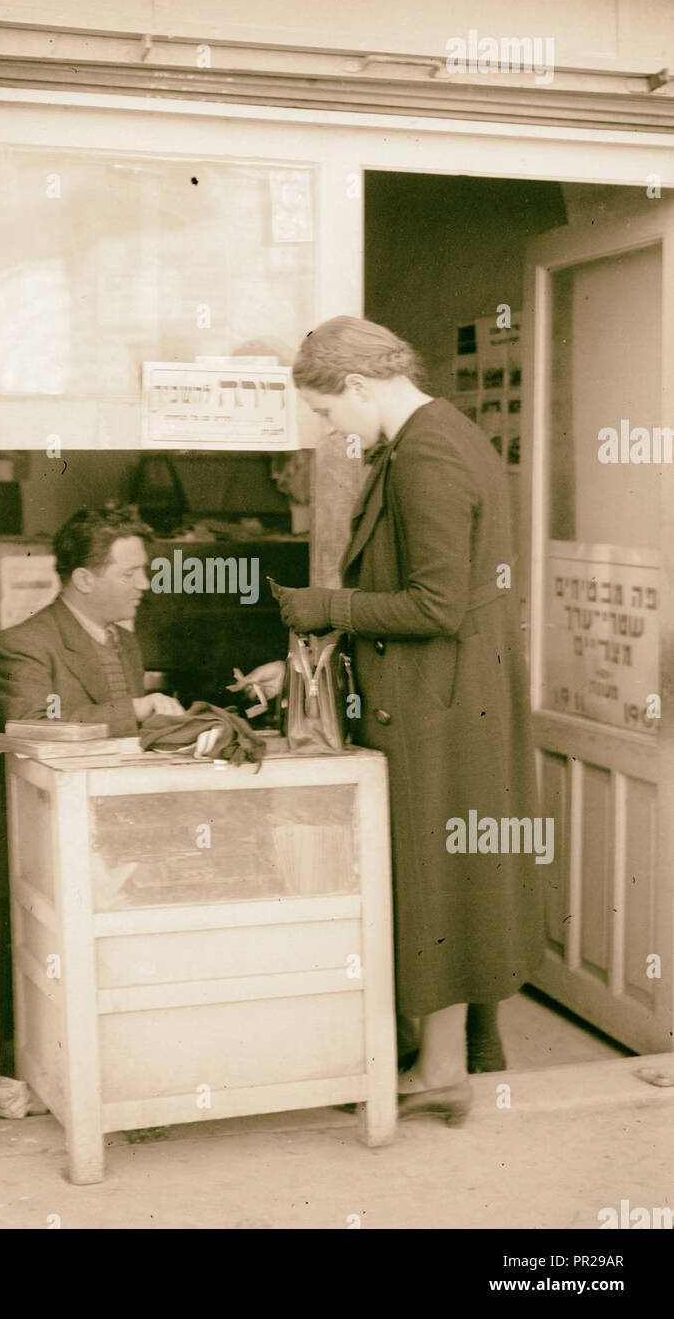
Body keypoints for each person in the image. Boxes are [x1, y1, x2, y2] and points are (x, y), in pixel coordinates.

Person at [231, 317, 545, 1126]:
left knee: (434, 879)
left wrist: (320, 607)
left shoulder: (426, 454)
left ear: (359, 387)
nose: (328, 429)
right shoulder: (443, 439)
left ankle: (441, 1069)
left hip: (437, 704)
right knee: (447, 879)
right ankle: (450, 1058)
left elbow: (434, 605)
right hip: (453, 695)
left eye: (326, 413)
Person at [0, 507, 184, 735]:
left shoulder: (125, 641)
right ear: (84, 580)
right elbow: (33, 723)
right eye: (129, 574)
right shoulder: (24, 643)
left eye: (142, 571)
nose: (144, 583)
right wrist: (132, 711)